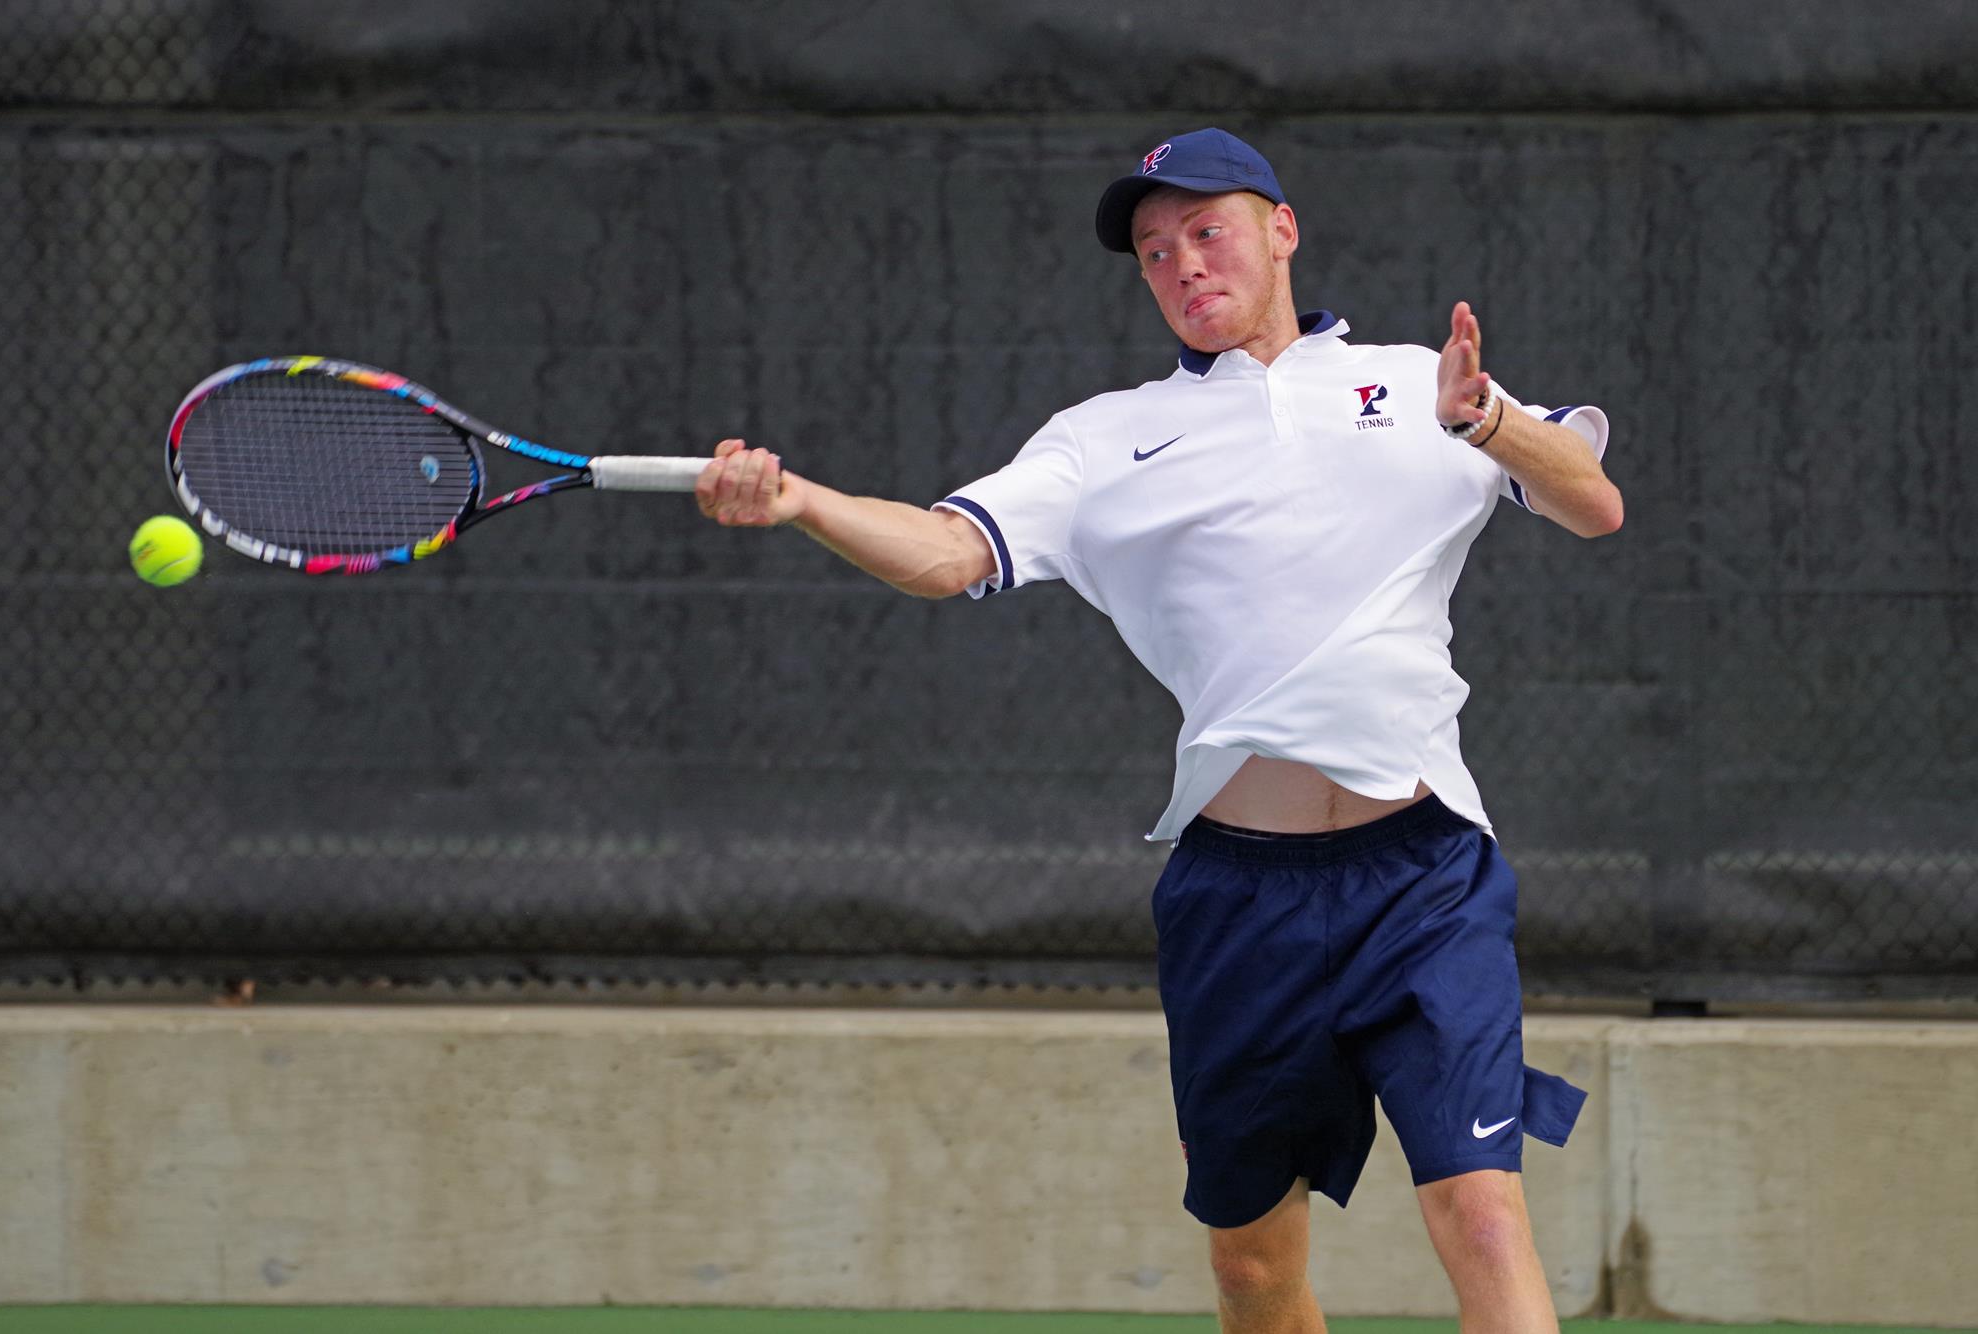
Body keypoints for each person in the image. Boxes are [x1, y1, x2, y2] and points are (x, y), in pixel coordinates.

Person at [694, 127, 1621, 1334]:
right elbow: (943, 551)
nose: (1180, 262)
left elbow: (1591, 502)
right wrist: (800, 499)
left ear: (1280, 228)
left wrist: (1485, 418)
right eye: (1151, 251)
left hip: (1426, 873)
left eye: (1204, 230)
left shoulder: (1415, 383)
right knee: (1250, 1269)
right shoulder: (1098, 440)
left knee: (1481, 1213)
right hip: (1239, 899)